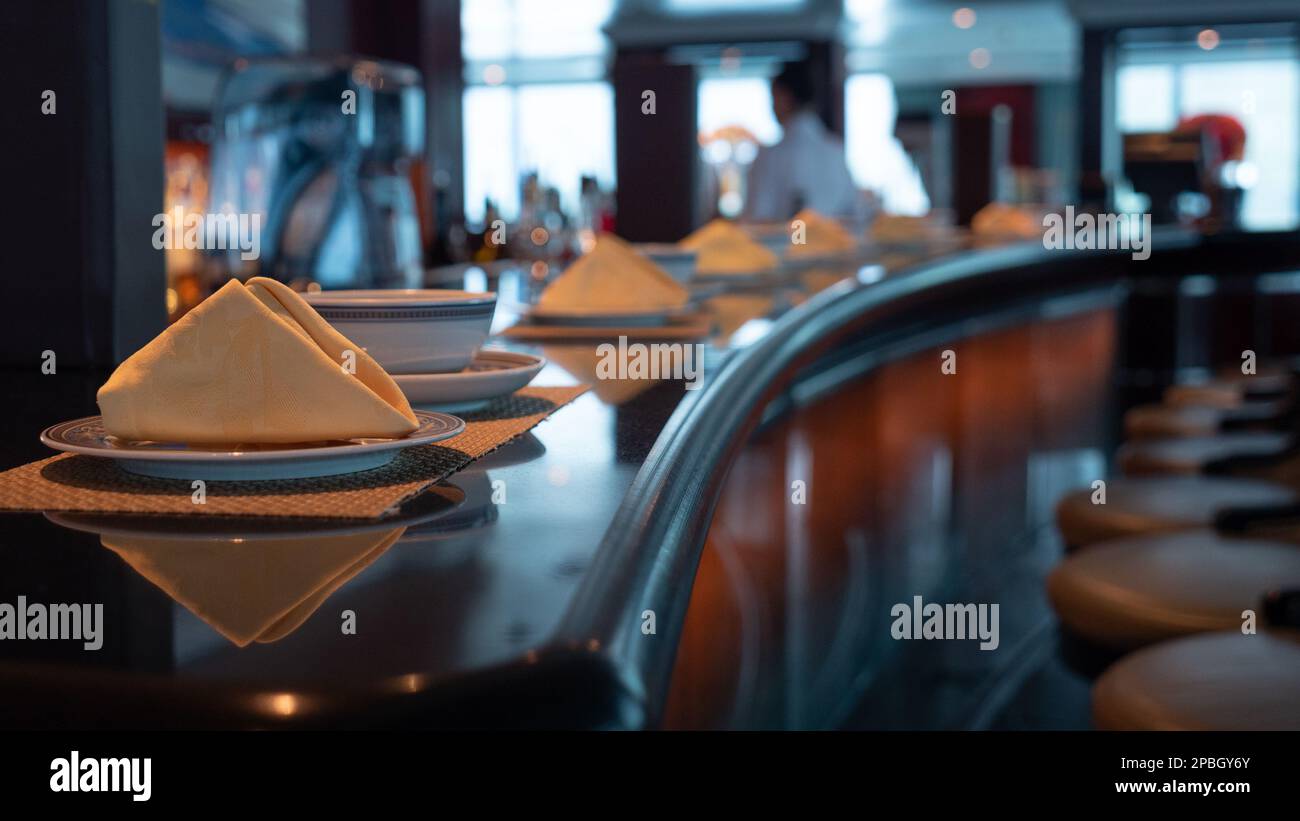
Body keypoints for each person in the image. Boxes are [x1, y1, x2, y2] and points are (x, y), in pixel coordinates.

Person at [743, 62, 859, 222]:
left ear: (785, 97)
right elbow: (853, 211)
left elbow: (759, 217)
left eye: (773, 98)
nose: (772, 107)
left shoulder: (771, 156)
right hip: (833, 244)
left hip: (790, 243)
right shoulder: (835, 150)